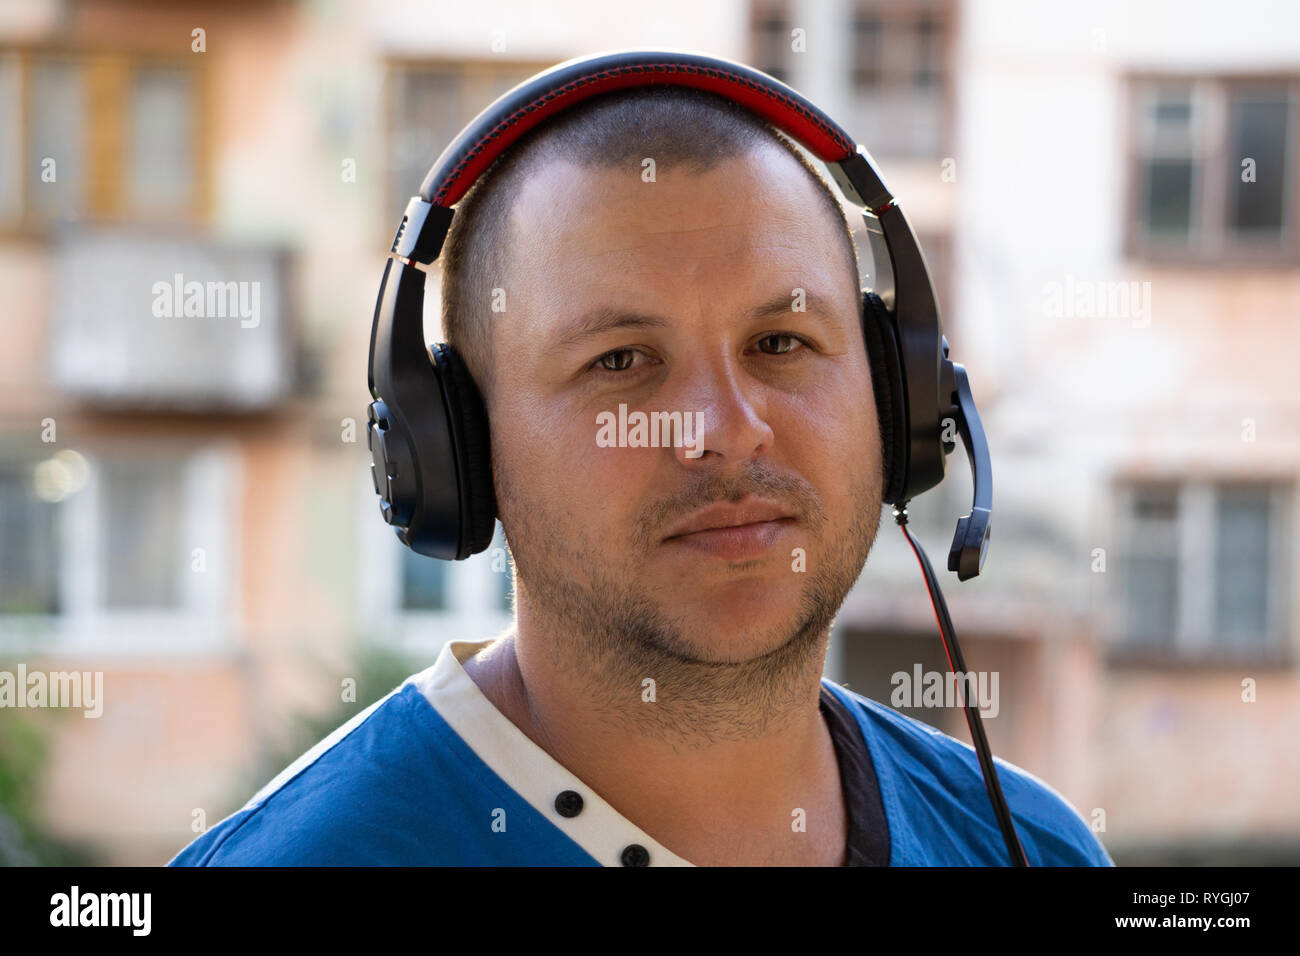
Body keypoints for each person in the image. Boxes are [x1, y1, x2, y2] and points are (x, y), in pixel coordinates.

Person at [169, 85, 1113, 867]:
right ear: (461, 447)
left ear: (898, 401)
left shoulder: (1032, 849)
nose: (727, 431)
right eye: (619, 361)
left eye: (781, 341)